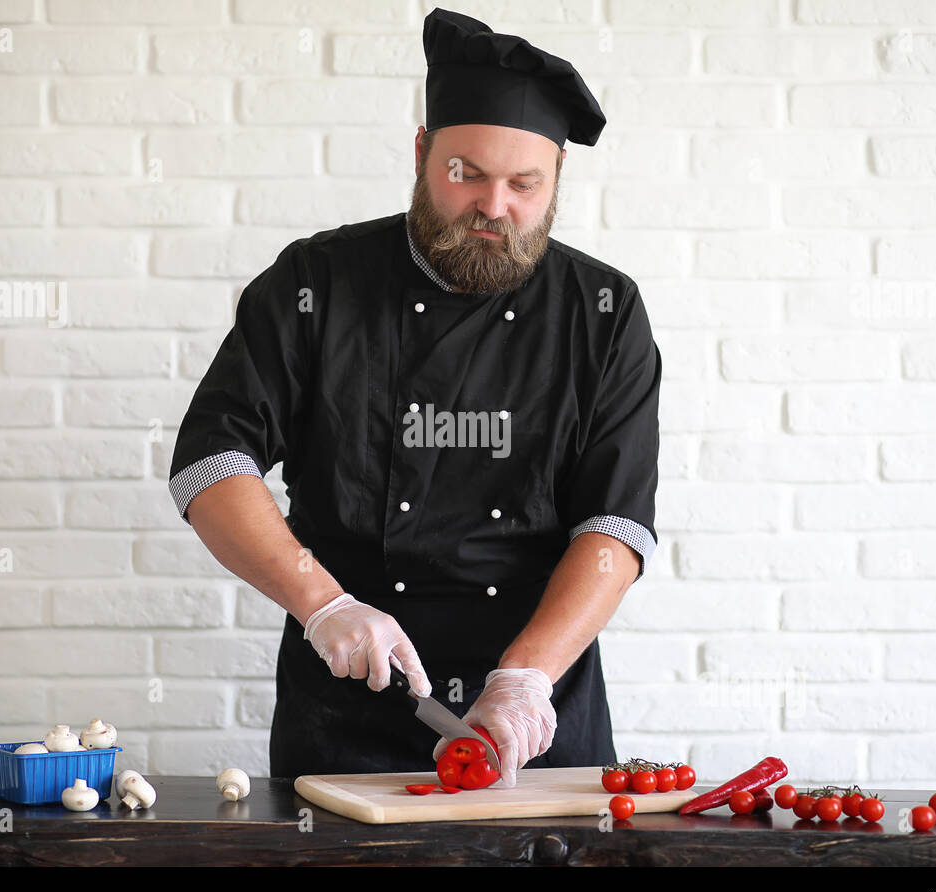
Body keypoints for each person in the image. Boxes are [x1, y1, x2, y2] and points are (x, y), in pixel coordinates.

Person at [169, 8, 660, 787]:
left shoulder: (602, 312)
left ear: (557, 180)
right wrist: (324, 604)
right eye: (466, 173)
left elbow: (615, 522)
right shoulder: (314, 286)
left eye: (524, 184)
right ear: (424, 152)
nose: (493, 207)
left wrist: (527, 679)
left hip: (534, 725)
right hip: (345, 714)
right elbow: (208, 463)